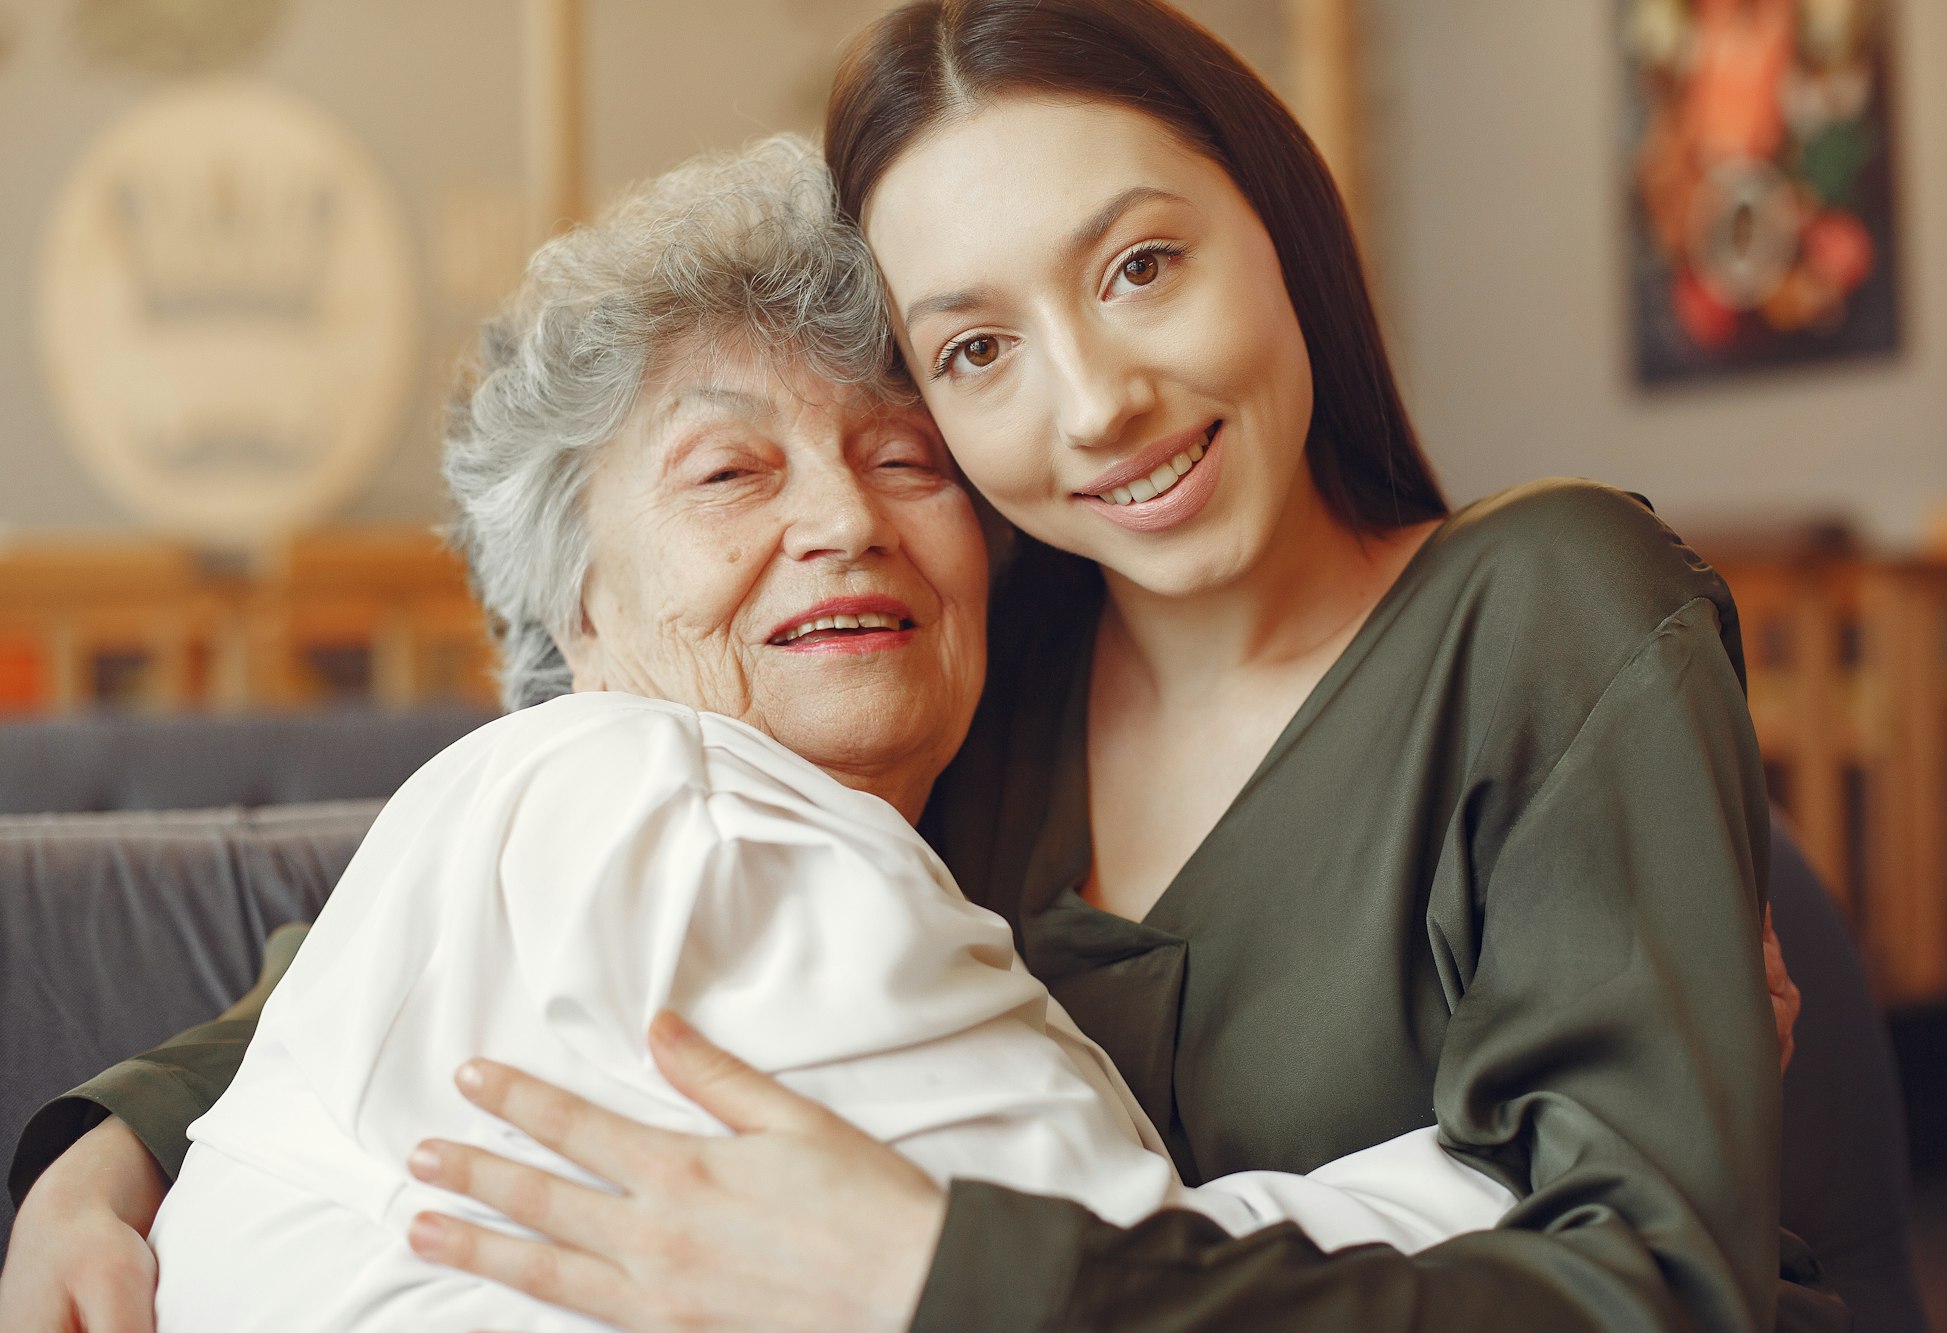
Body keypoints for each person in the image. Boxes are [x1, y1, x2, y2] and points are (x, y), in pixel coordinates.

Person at [1, 2, 1829, 1331]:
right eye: (974, 352)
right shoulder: (968, 676)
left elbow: (1661, 1283)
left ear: (1283, 224)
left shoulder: (1547, 607)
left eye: (1138, 266)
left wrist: (934, 1277)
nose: (1093, 401)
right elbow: (435, 935)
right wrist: (104, 1160)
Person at [132, 136, 1509, 1332]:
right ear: (579, 608)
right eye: (728, 471)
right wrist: (1514, 1162)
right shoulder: (677, 802)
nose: (847, 524)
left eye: (905, 459)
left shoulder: (528, 832)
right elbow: (1121, 1282)